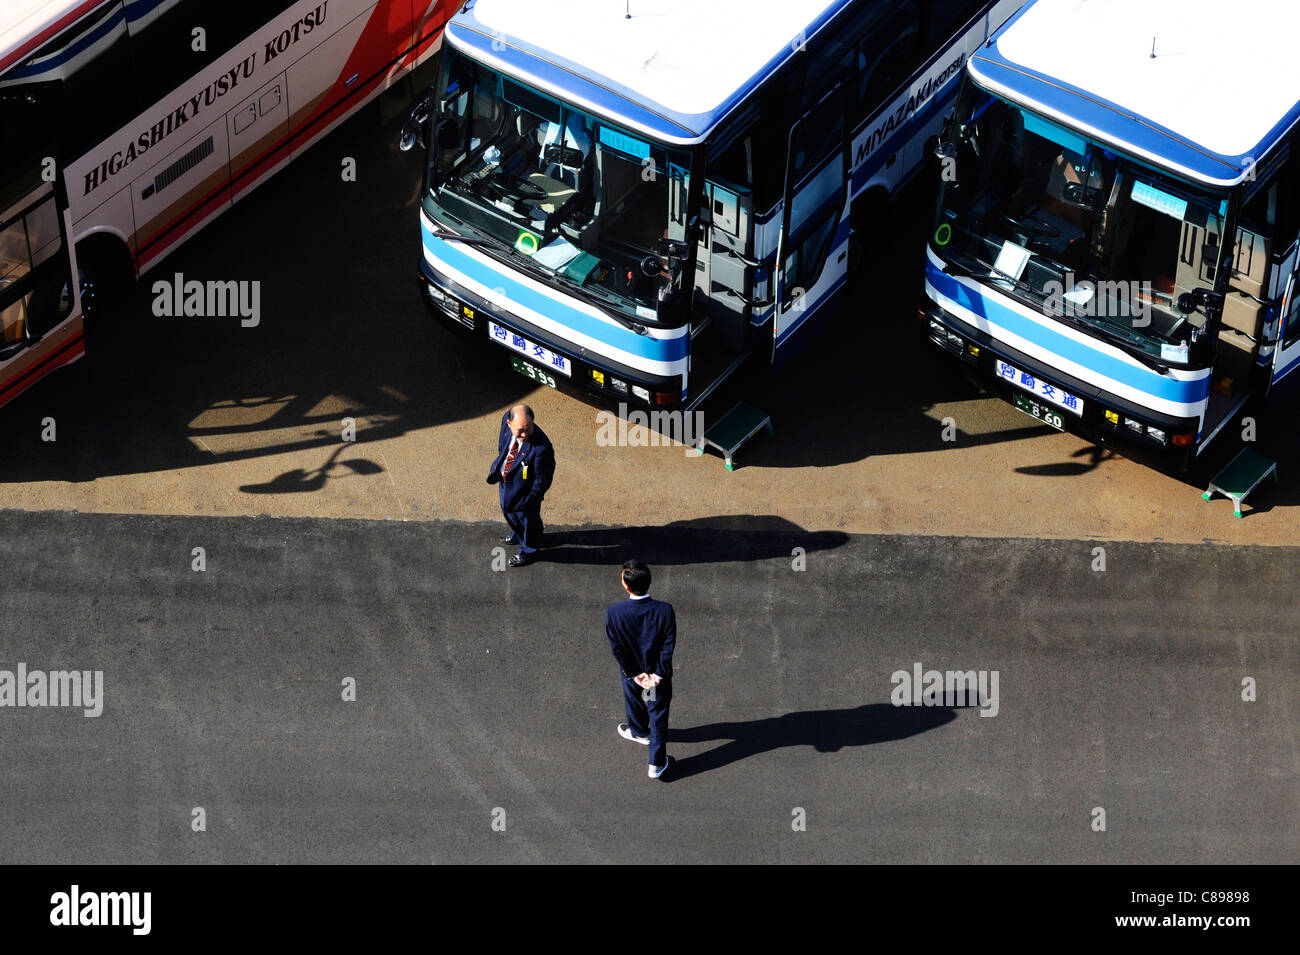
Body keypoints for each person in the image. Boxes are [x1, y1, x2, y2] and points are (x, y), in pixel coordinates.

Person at [605, 559, 676, 779]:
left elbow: (617, 648)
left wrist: (634, 673)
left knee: (633, 699)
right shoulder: (664, 610)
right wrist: (657, 675)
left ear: (627, 586)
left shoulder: (614, 612)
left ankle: (638, 731)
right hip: (656, 675)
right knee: (657, 714)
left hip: (633, 671)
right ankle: (656, 762)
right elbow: (668, 645)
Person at [486, 403, 555, 567]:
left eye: (528, 428)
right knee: (508, 511)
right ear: (509, 424)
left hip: (525, 493)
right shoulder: (505, 419)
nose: (525, 434)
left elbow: (543, 479)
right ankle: (517, 535)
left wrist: (531, 499)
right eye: (520, 430)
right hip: (506, 481)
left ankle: (529, 550)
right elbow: (503, 445)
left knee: (529, 523)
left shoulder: (542, 448)